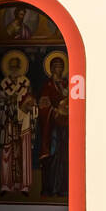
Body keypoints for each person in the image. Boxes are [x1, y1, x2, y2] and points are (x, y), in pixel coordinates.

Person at [0, 52, 34, 195]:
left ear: (20, 68)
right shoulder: (4, 84)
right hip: (8, 123)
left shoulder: (25, 83)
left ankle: (24, 185)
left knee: (22, 153)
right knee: (7, 152)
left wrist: (26, 105)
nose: (14, 70)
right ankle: (6, 184)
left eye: (16, 67)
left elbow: (30, 100)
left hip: (22, 123)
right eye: (11, 68)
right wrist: (7, 105)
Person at [38, 54, 70, 197]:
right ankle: (49, 188)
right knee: (51, 155)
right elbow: (43, 105)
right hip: (51, 128)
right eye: (56, 66)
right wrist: (54, 110)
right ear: (50, 69)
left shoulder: (65, 85)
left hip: (64, 125)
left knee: (63, 156)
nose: (58, 69)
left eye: (61, 66)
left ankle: (62, 188)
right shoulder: (48, 86)